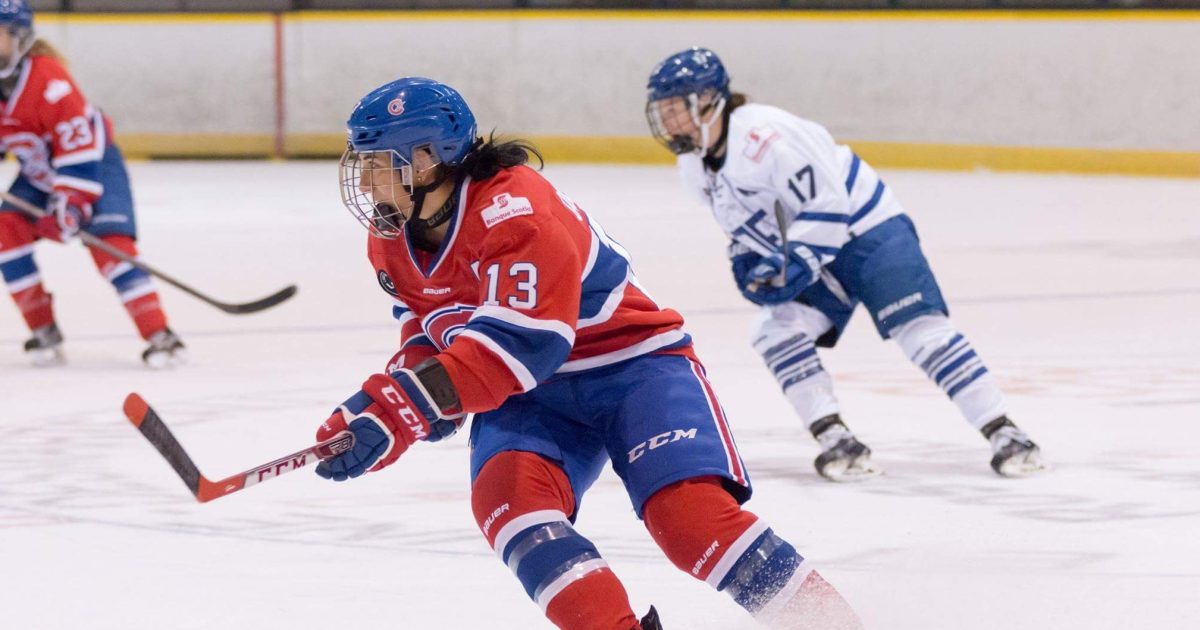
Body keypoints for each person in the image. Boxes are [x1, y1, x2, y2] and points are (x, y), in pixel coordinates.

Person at [314, 76, 865, 630]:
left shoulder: (515, 209)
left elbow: (522, 346)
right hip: (531, 396)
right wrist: (386, 411)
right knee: (512, 512)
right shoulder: (391, 236)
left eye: (377, 161)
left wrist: (399, 410)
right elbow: (427, 329)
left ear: (428, 159)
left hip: (632, 366)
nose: (365, 179)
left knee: (690, 522)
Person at [644, 47, 1044, 480]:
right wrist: (750, 260)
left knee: (919, 331)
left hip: (868, 230)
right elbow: (746, 225)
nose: (669, 122)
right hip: (814, 246)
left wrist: (796, 260)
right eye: (662, 111)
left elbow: (828, 202)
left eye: (675, 109)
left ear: (709, 101)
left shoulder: (767, 136)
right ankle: (836, 438)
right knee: (776, 331)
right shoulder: (694, 167)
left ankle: (1006, 432)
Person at [0, 0, 184, 368]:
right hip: (40, 176)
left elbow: (79, 149)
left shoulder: (49, 82)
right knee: (6, 228)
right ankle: (43, 329)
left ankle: (160, 334)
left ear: (18, 38)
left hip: (94, 166)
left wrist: (71, 203)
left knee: (111, 245)